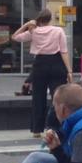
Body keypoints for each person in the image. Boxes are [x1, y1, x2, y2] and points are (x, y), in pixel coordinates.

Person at [12, 9, 71, 137]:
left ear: (39, 19)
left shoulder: (34, 31)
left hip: (40, 65)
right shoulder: (58, 31)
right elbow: (64, 51)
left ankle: (37, 130)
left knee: (38, 97)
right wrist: (69, 71)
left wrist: (26, 25)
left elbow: (15, 37)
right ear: (50, 19)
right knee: (57, 97)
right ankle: (55, 127)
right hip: (56, 64)